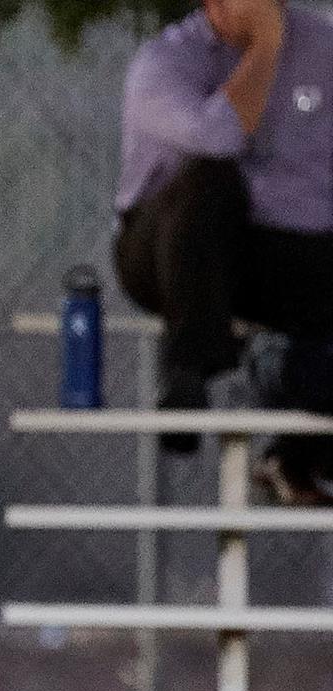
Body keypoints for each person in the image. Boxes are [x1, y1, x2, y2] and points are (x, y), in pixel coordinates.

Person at [115, 0, 333, 477]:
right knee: (210, 180)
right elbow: (217, 139)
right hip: (166, 248)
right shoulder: (164, 63)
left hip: (276, 241)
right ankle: (189, 369)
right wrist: (266, 49)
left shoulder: (322, 47)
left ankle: (297, 444)